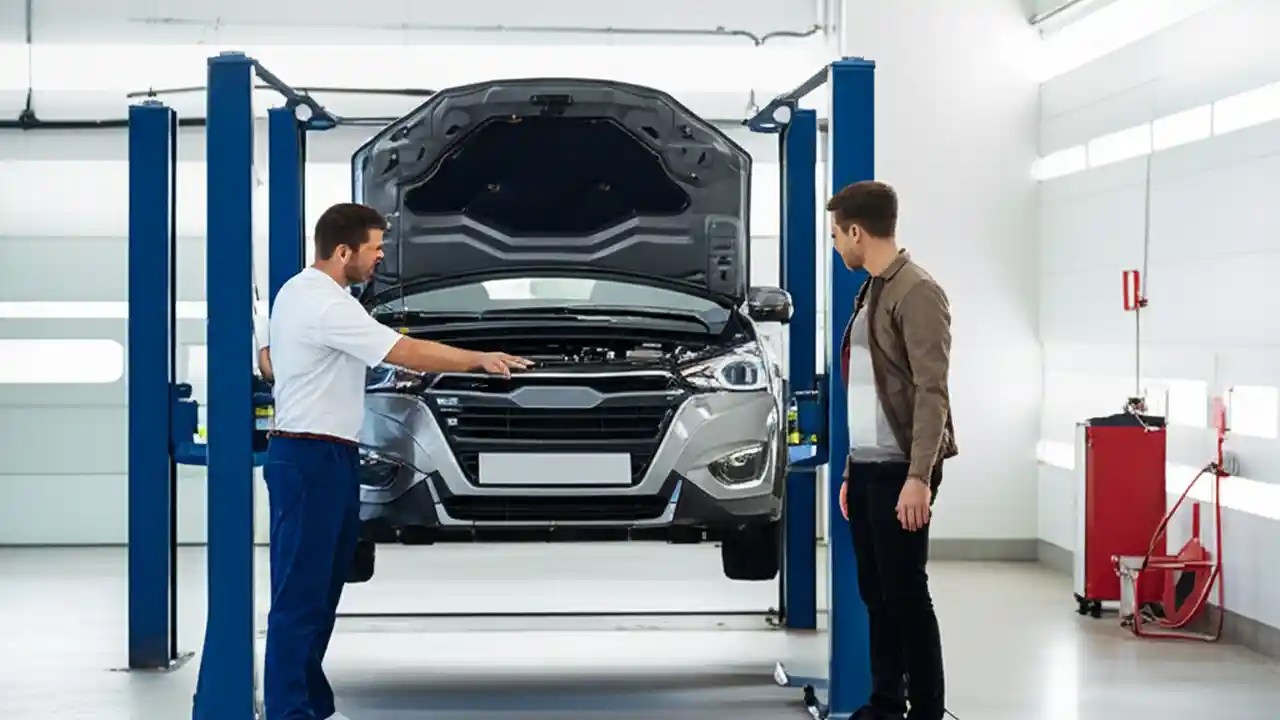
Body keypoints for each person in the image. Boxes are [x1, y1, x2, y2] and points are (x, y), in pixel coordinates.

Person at [261, 202, 532, 720]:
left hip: (328, 454)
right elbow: (401, 352)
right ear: (343, 251)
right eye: (375, 248)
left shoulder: (309, 294)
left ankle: (310, 705)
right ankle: (288, 712)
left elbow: (272, 359)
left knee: (321, 591)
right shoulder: (324, 303)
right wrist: (477, 358)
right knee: (302, 594)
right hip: (309, 457)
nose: (381, 256)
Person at [828, 181, 957, 720]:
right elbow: (868, 389)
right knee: (877, 595)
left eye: (837, 235)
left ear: (857, 231)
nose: (836, 246)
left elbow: (933, 392)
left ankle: (925, 711)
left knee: (907, 597)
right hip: (869, 470)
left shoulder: (917, 291)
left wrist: (919, 477)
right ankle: (886, 703)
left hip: (902, 471)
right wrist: (851, 470)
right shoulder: (873, 290)